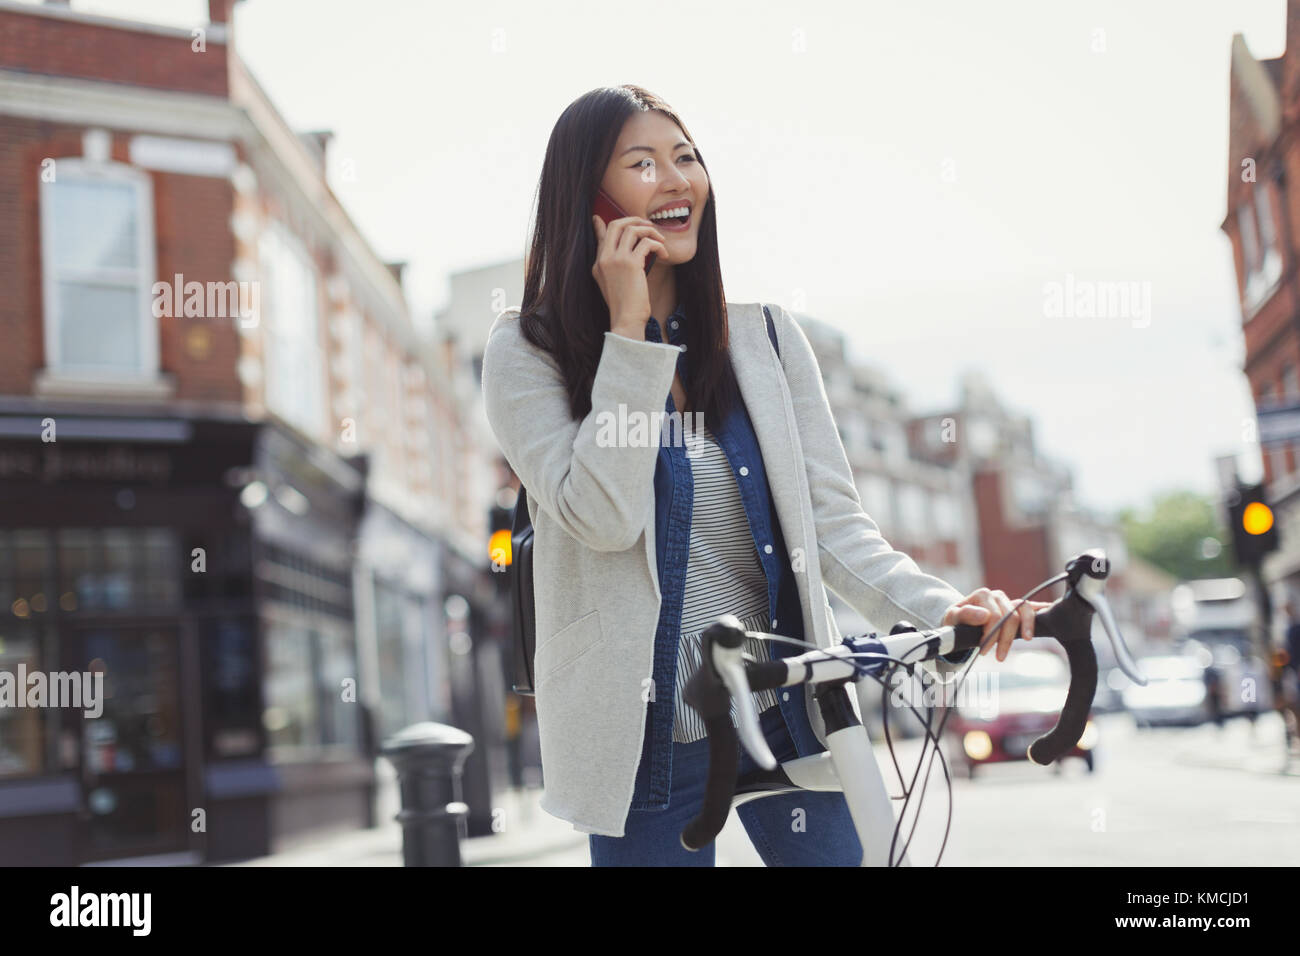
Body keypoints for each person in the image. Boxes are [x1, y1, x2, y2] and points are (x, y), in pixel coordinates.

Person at [481, 85, 1049, 866]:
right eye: (642, 163)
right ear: (590, 199)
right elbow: (605, 515)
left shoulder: (768, 341)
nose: (676, 180)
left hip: (789, 709)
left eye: (686, 158)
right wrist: (630, 332)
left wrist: (949, 610)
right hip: (643, 741)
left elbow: (837, 529)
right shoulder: (525, 353)